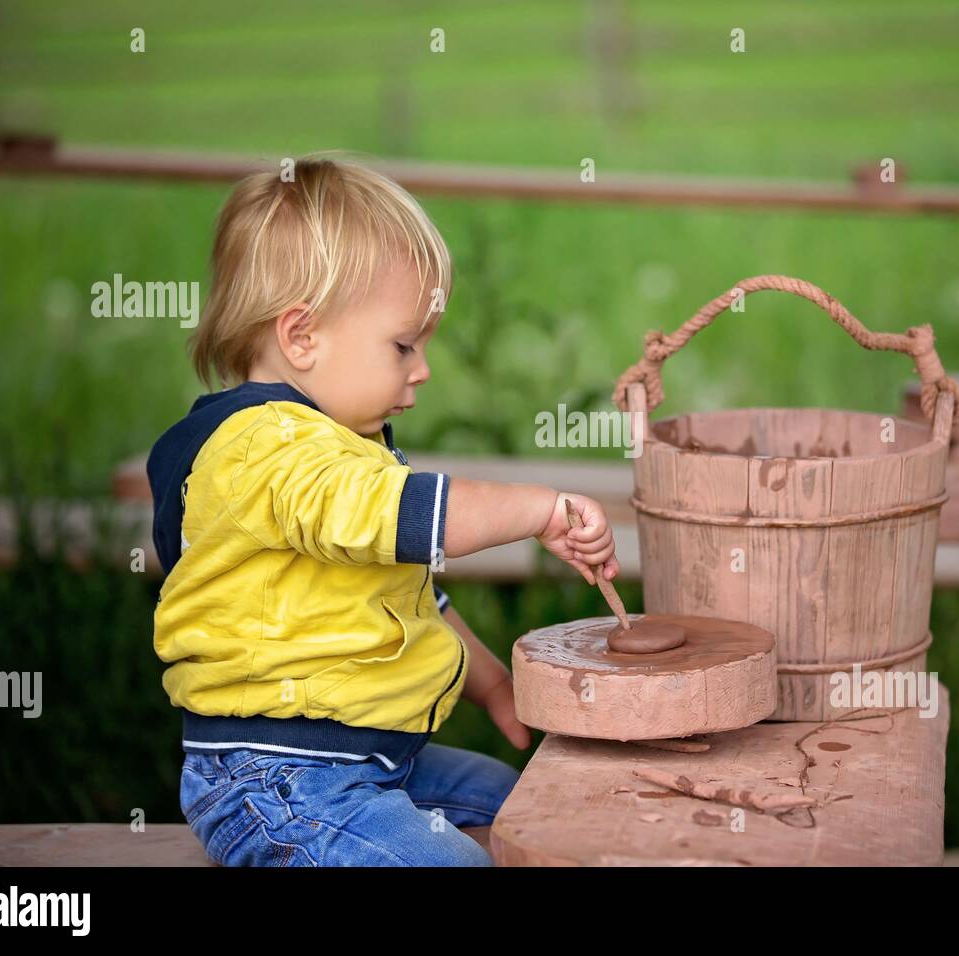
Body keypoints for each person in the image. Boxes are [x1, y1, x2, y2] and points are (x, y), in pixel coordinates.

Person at [147, 155, 620, 866]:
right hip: (278, 781)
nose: (423, 369)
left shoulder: (334, 446)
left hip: (367, 762)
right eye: (403, 345)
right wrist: (539, 509)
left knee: (524, 808)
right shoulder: (264, 451)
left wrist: (489, 679)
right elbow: (412, 516)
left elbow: (406, 585)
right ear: (301, 336)